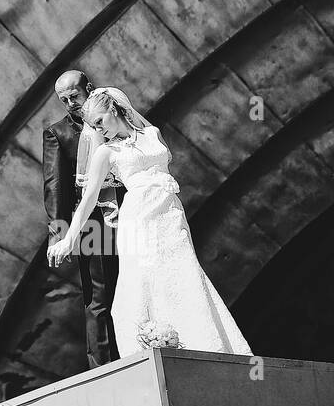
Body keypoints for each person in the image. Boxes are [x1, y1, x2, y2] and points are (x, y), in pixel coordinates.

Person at [47, 88, 251, 356]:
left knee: (183, 273)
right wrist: (69, 239)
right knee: (145, 278)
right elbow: (88, 199)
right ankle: (152, 344)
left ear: (114, 109)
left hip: (170, 214)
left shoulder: (152, 134)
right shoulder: (106, 153)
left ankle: (203, 343)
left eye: (99, 122)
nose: (98, 131)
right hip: (139, 218)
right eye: (93, 127)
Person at [41, 71, 124, 367]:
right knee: (98, 296)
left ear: (88, 88)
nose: (70, 104)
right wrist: (59, 234)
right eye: (63, 100)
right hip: (89, 224)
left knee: (132, 282)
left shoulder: (116, 115)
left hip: (127, 214)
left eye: (74, 96)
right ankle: (102, 367)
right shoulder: (57, 133)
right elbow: (55, 187)